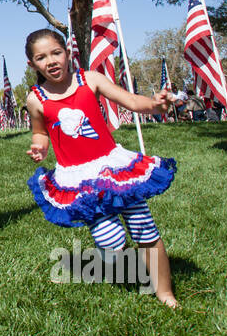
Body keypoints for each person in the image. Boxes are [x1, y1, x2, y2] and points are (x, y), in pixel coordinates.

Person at [23, 29, 180, 309]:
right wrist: (39, 147)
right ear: (32, 65)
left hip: (115, 168)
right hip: (79, 179)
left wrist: (155, 105)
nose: (51, 61)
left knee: (145, 230)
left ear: (68, 53)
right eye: (41, 57)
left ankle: (165, 293)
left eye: (56, 52)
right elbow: (40, 133)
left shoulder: (89, 80)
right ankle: (120, 265)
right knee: (112, 242)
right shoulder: (36, 99)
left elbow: (131, 101)